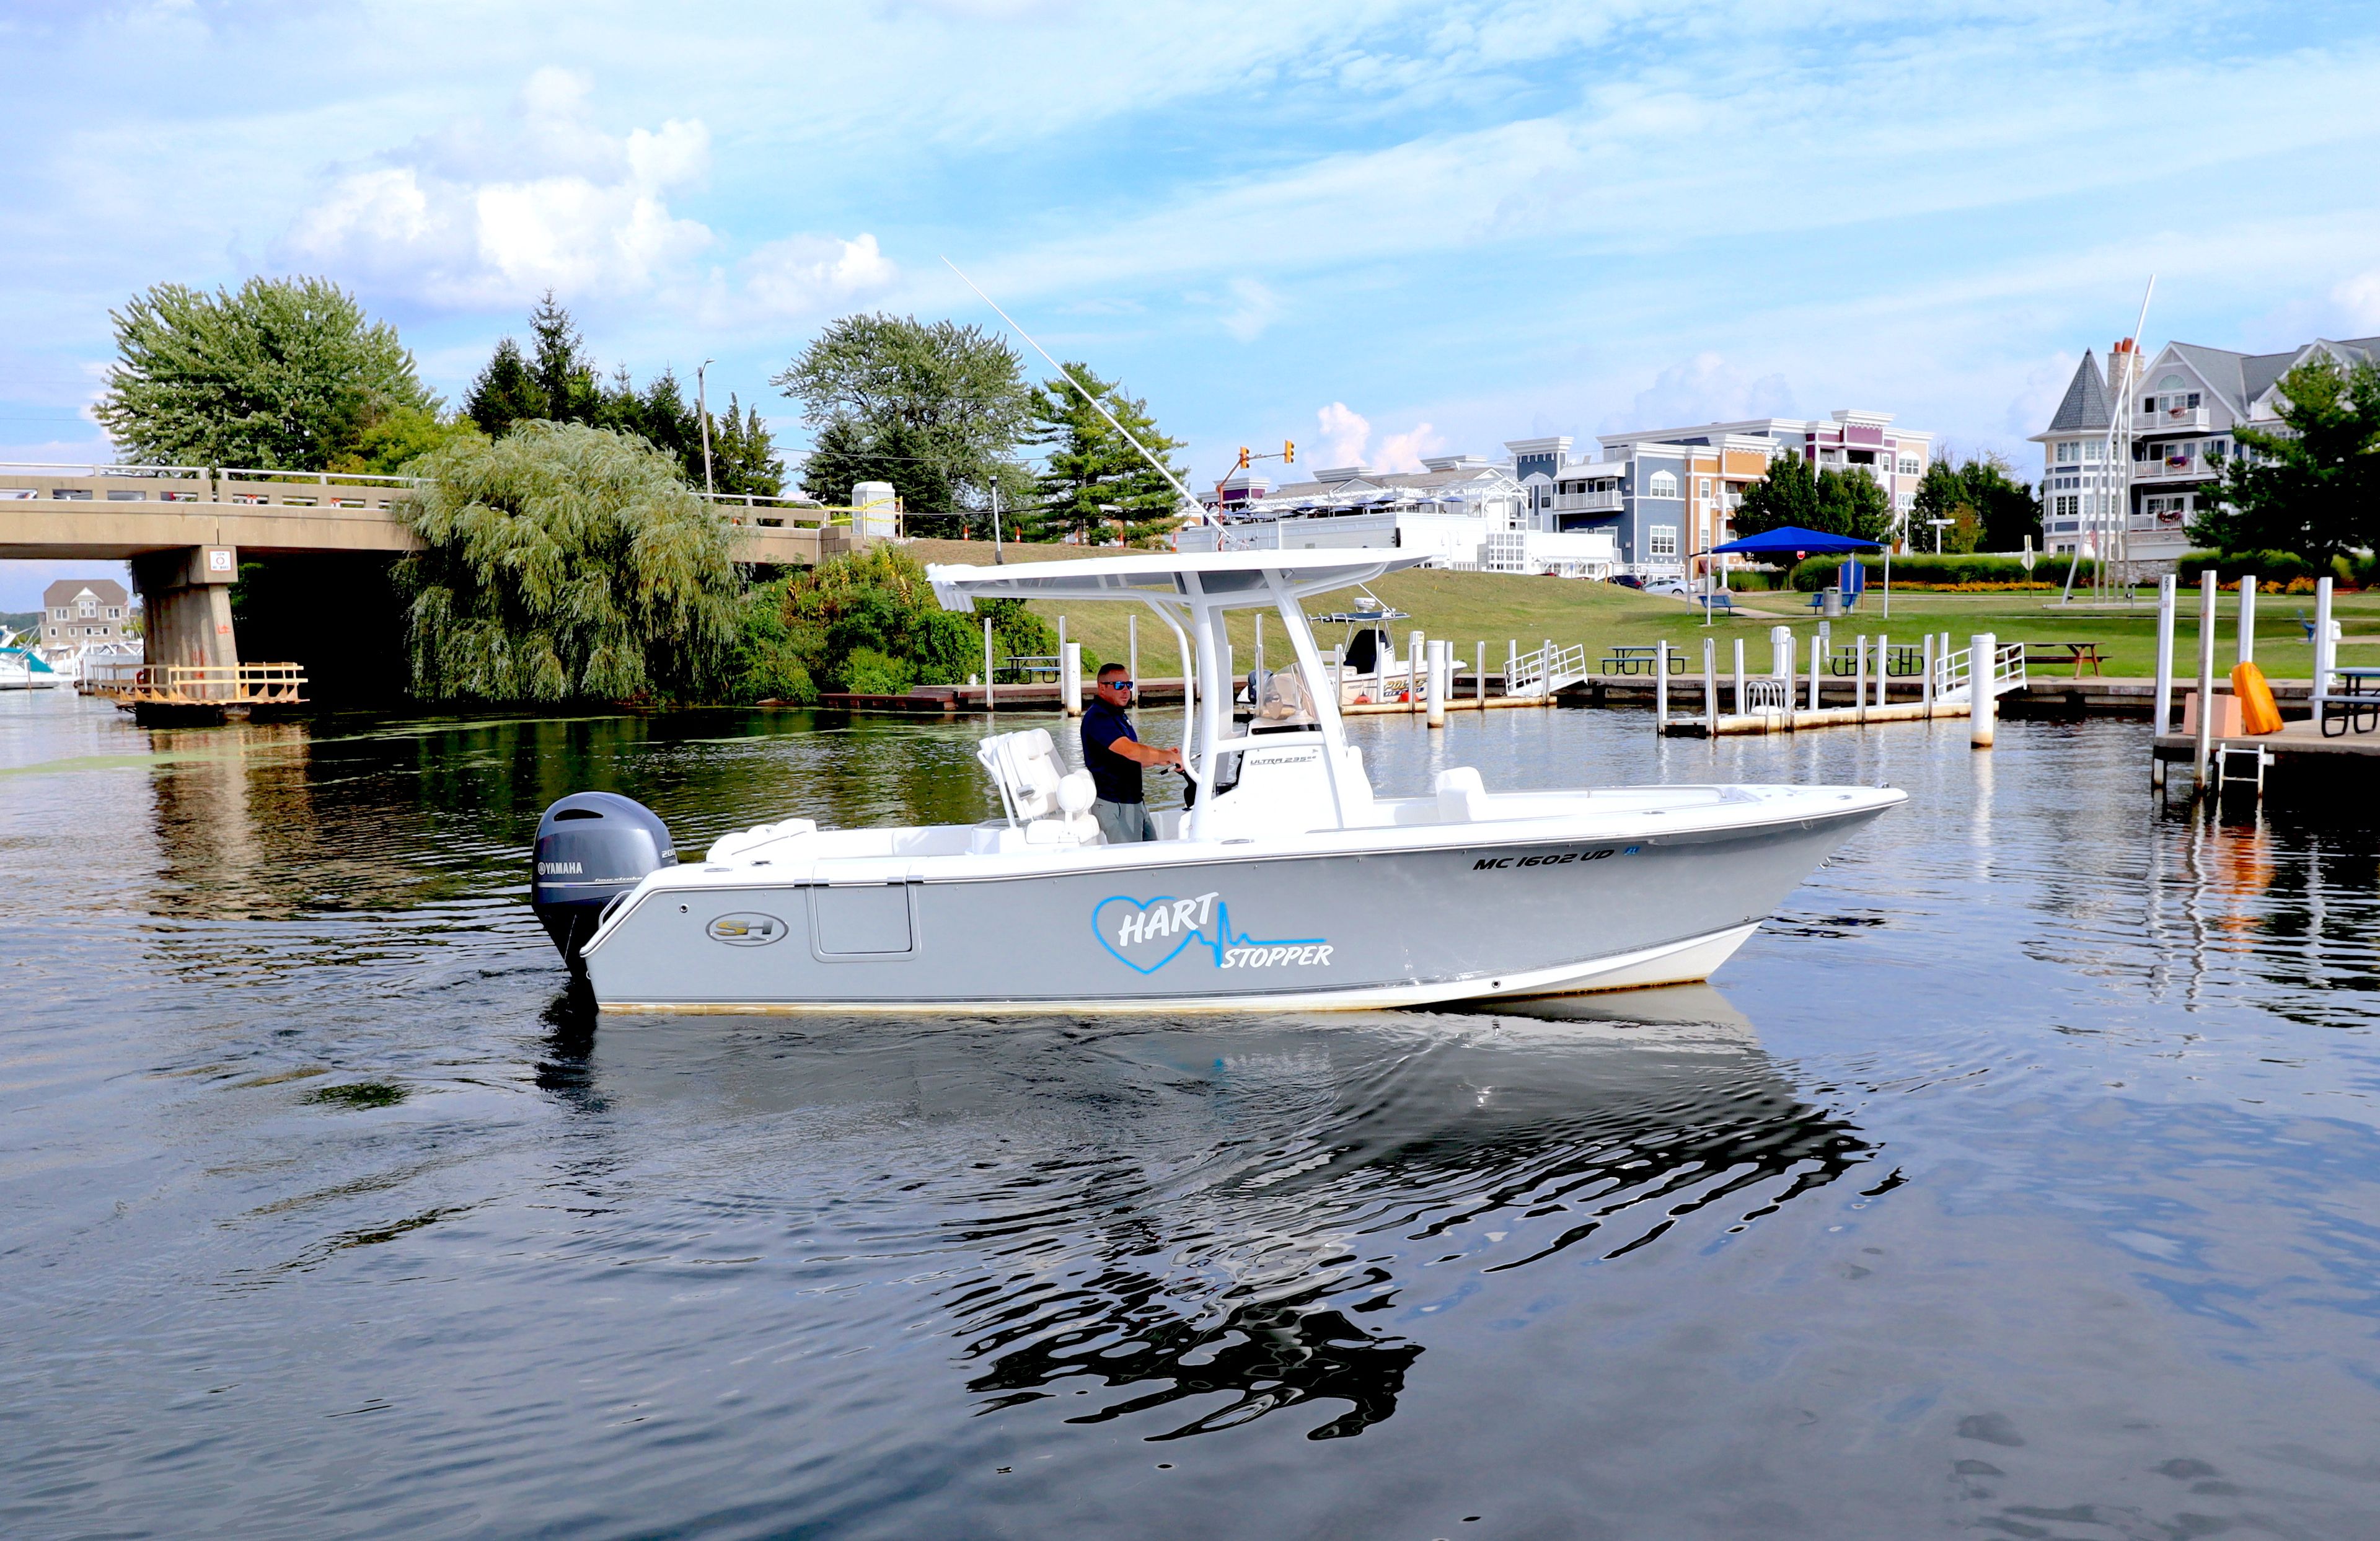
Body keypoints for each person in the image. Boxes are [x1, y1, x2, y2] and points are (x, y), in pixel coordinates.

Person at [1080, 663, 1182, 844]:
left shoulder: (1118, 715)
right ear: (1102, 688)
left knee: (1151, 859)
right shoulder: (1098, 718)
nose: (1126, 690)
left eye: (1129, 685)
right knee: (1131, 865)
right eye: (1119, 686)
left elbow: (1130, 758)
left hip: (1134, 802)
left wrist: (1162, 758)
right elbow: (1130, 750)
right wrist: (1167, 756)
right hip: (1117, 804)